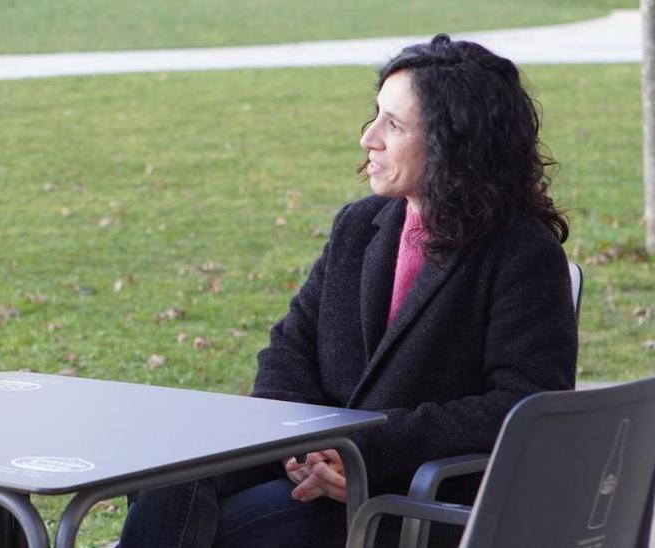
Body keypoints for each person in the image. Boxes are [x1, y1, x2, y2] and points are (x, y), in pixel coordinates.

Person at [120, 34, 578, 547]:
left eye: (394, 125)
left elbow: (525, 405)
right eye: (376, 115)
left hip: (407, 497)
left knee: (218, 529)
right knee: (165, 475)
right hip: (310, 464)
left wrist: (361, 451)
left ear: (455, 145)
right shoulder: (361, 225)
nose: (369, 138)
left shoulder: (521, 253)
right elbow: (291, 345)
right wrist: (299, 445)